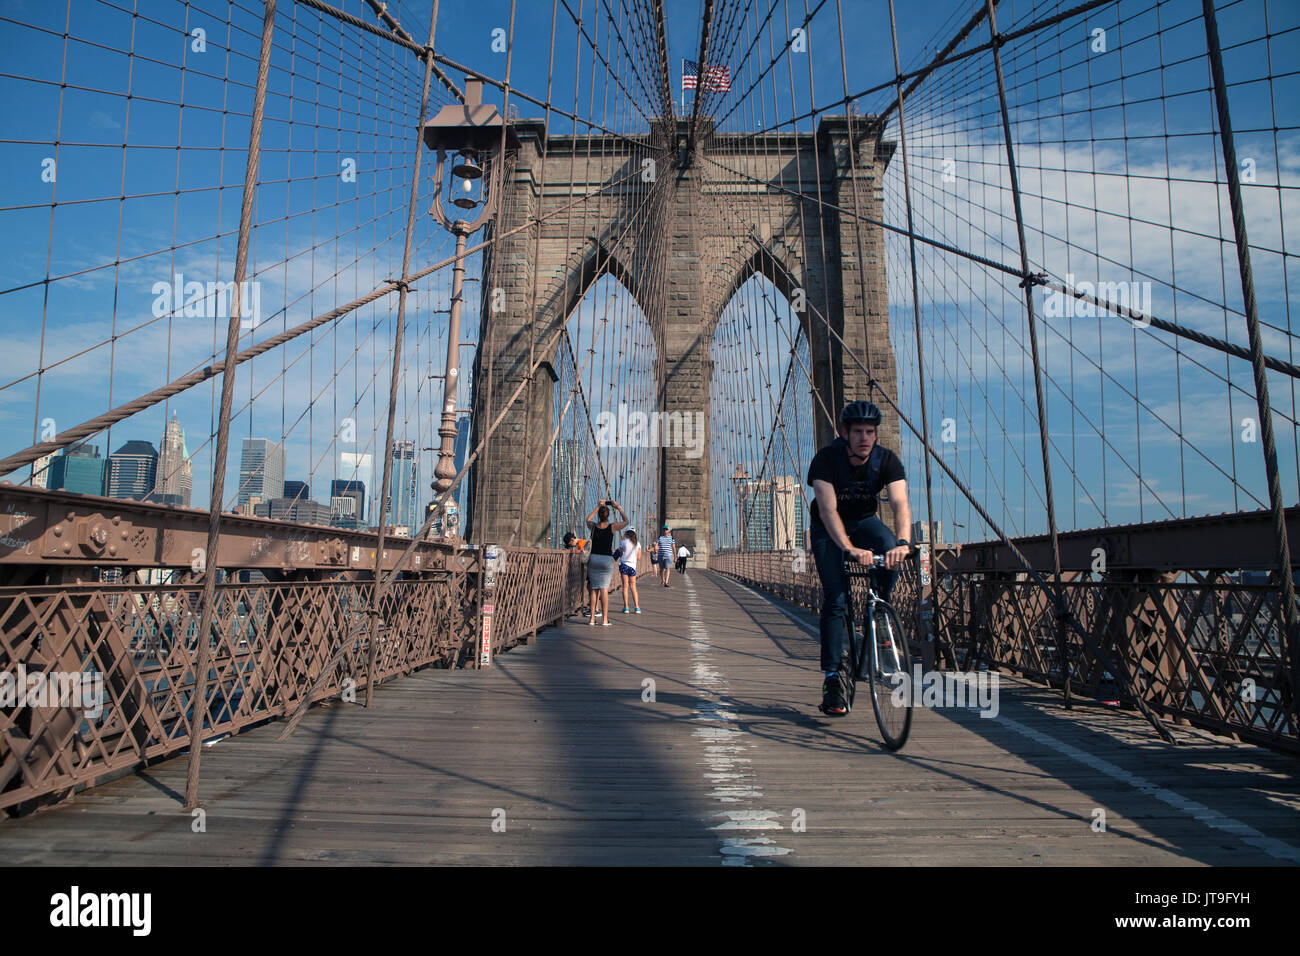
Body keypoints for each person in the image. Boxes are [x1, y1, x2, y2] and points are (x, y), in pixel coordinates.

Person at [809, 400, 913, 717]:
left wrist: (904, 543)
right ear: (845, 433)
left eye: (870, 432)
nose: (865, 438)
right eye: (858, 432)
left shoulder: (886, 461)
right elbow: (827, 511)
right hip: (828, 529)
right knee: (837, 598)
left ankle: (880, 614)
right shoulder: (826, 461)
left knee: (887, 544)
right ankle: (832, 679)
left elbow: (899, 504)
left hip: (866, 523)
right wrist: (849, 549)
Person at [585, 499, 628, 625]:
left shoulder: (593, 527)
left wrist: (597, 506)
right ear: (608, 515)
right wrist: (618, 507)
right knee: (604, 589)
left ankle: (592, 619)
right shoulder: (613, 527)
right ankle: (604, 620)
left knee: (593, 589)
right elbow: (626, 521)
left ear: (599, 515)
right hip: (606, 560)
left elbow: (588, 519)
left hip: (593, 559)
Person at [563, 530, 590, 615]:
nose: (571, 547)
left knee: (591, 588)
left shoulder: (582, 543)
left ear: (572, 540)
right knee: (590, 587)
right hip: (590, 566)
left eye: (570, 544)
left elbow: (582, 553)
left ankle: (593, 608)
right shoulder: (582, 542)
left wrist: (574, 552)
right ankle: (592, 608)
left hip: (590, 567)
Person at [616, 529, 642, 613]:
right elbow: (638, 558)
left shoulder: (623, 542)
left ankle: (626, 607)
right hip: (632, 567)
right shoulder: (637, 544)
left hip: (624, 565)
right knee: (633, 587)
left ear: (627, 534)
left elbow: (620, 554)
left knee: (625, 586)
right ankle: (637, 607)